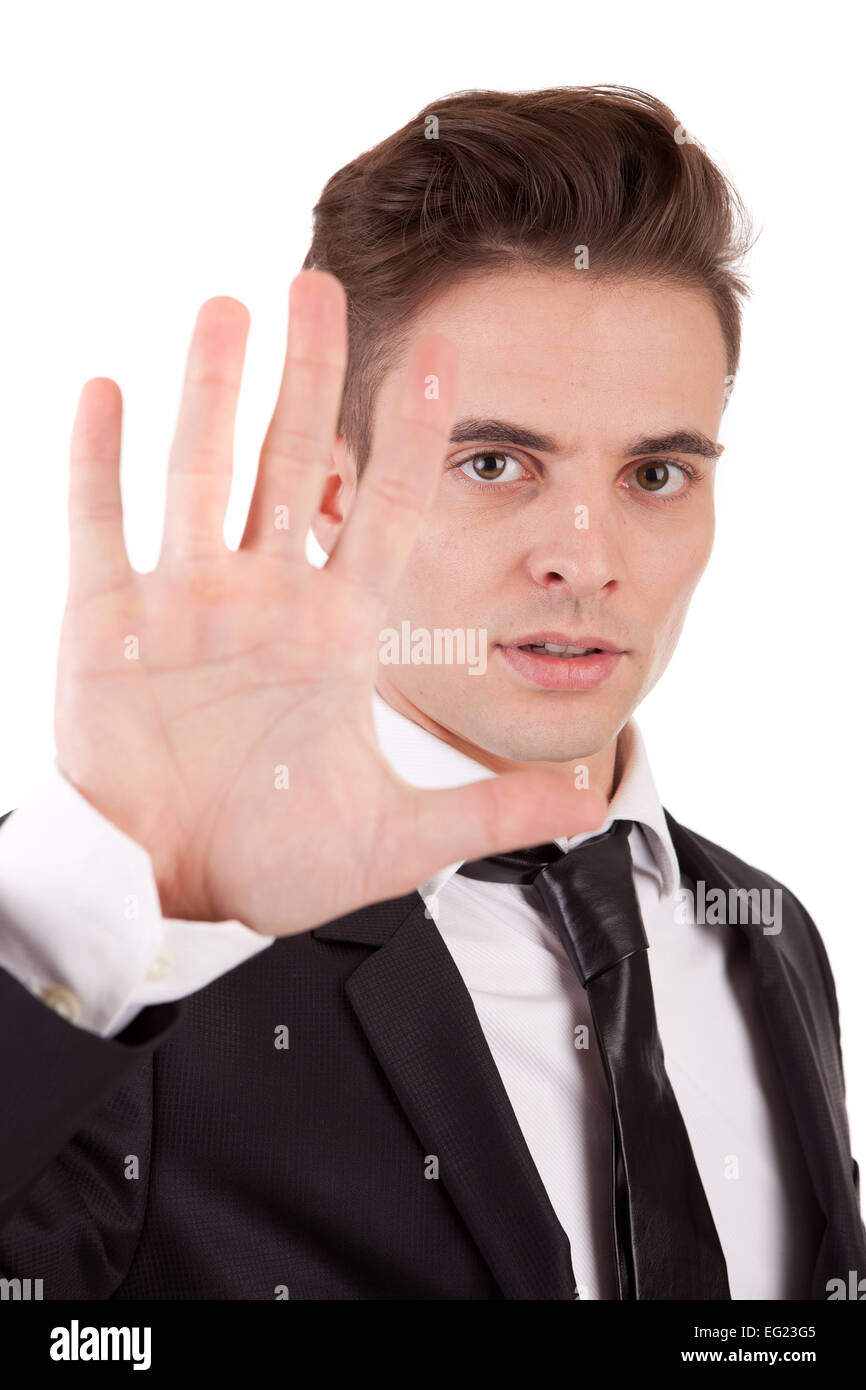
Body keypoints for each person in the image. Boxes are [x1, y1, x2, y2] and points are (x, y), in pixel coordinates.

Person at [0, 84, 862, 1301]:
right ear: (337, 497)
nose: (585, 552)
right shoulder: (140, 959)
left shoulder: (766, 935)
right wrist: (86, 899)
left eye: (655, 472)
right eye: (495, 462)